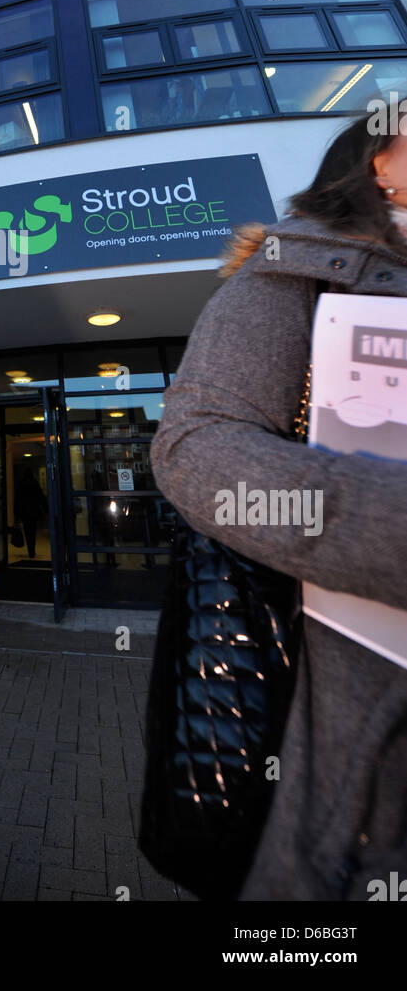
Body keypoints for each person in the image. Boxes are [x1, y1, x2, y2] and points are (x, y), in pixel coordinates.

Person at [149, 110, 407, 900]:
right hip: (338, 757)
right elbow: (195, 451)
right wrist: (379, 525)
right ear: (375, 163)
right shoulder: (293, 269)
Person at [14, 465, 48, 558]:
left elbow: (18, 499)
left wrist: (16, 514)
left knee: (27, 531)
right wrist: (46, 509)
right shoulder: (34, 483)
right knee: (33, 532)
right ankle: (32, 550)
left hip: (24, 513)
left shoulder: (21, 484)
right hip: (33, 512)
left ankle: (30, 549)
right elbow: (41, 497)